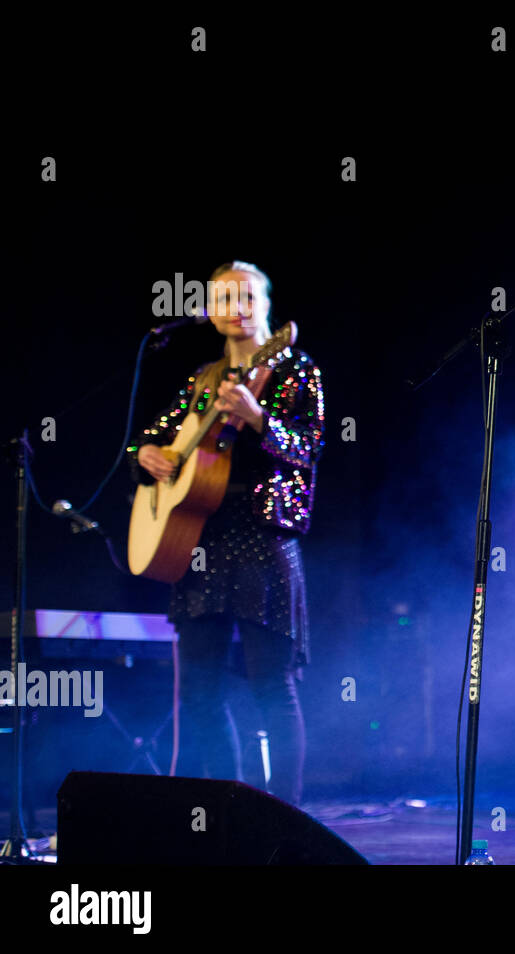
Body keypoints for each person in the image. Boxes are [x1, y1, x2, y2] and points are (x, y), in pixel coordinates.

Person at [127, 261, 324, 806]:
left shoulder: (294, 369)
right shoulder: (204, 378)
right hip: (199, 539)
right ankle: (224, 808)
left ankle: (284, 815)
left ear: (266, 304)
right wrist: (145, 455)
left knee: (270, 685)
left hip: (263, 533)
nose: (236, 306)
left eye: (246, 295)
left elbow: (308, 450)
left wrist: (260, 418)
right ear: (210, 313)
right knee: (199, 690)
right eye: (223, 298)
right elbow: (155, 439)